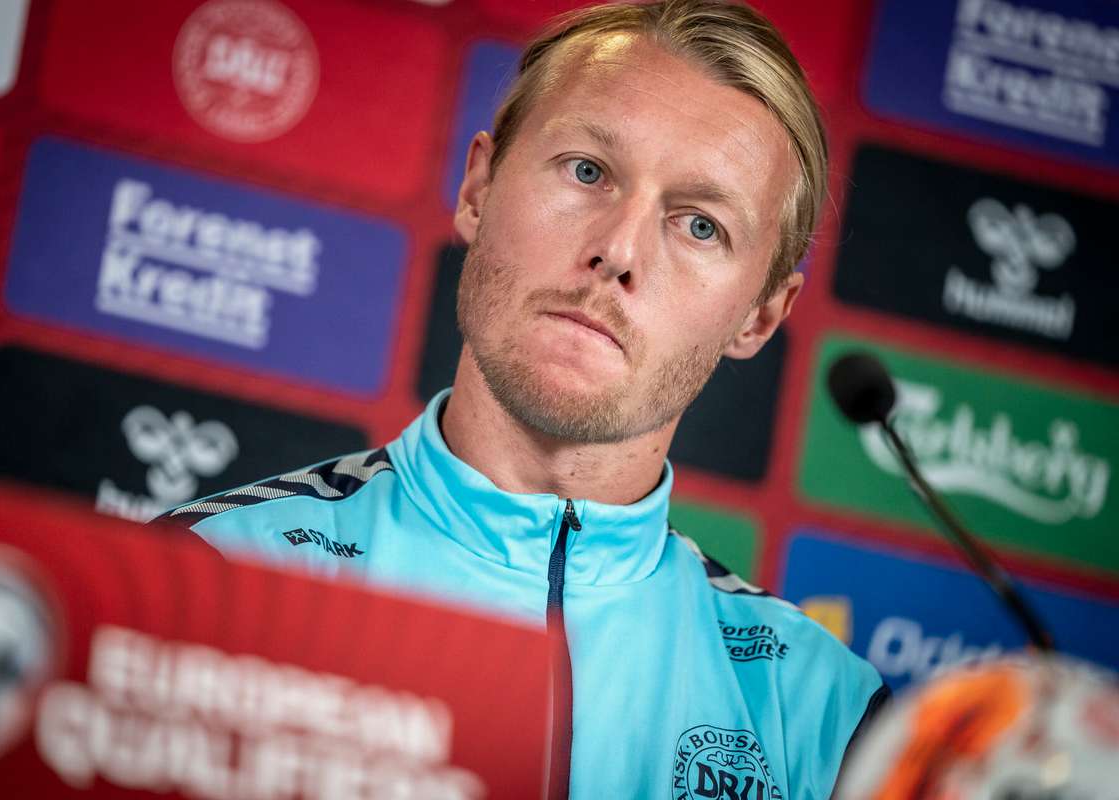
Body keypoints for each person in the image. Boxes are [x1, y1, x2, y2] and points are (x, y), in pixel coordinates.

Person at [156, 1, 889, 796]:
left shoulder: (831, 720)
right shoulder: (208, 578)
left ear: (759, 317)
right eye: (587, 171)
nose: (618, 250)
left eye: (701, 226)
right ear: (479, 187)